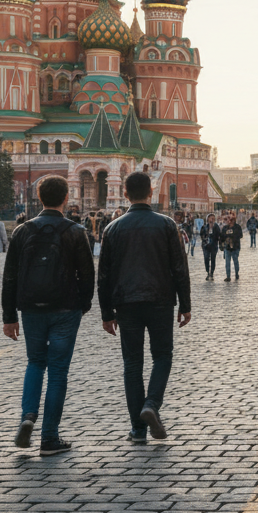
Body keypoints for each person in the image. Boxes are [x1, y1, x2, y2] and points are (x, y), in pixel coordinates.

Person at [1, 175, 95, 455]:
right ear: (66, 198)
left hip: (31, 307)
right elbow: (88, 274)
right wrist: (84, 303)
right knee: (57, 372)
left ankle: (28, 416)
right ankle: (49, 437)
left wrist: (9, 316)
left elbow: (9, 278)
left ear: (39, 198)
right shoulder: (75, 231)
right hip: (66, 307)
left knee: (35, 362)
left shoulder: (22, 231)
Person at [98, 172, 192, 443]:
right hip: (160, 300)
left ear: (125, 194)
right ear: (151, 192)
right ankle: (151, 405)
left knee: (132, 364)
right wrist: (185, 304)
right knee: (162, 356)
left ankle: (137, 429)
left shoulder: (112, 228)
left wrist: (106, 313)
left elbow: (104, 276)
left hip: (126, 303)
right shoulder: (166, 225)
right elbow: (179, 268)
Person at [221, 213, 243, 281]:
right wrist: (223, 242)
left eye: (230, 219)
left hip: (235, 247)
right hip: (227, 247)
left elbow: (240, 235)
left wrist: (233, 237)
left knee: (235, 261)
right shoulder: (225, 228)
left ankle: (236, 273)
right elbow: (222, 237)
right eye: (227, 219)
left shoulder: (237, 227)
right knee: (227, 262)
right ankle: (228, 276)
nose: (228, 221)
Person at [199, 212, 220, 281]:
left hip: (214, 245)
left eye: (213, 218)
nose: (212, 220)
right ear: (207, 219)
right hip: (206, 246)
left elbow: (218, 235)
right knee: (206, 258)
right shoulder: (204, 226)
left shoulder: (216, 226)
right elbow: (201, 234)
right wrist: (205, 239)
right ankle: (208, 272)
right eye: (210, 218)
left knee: (213, 259)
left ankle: (212, 273)